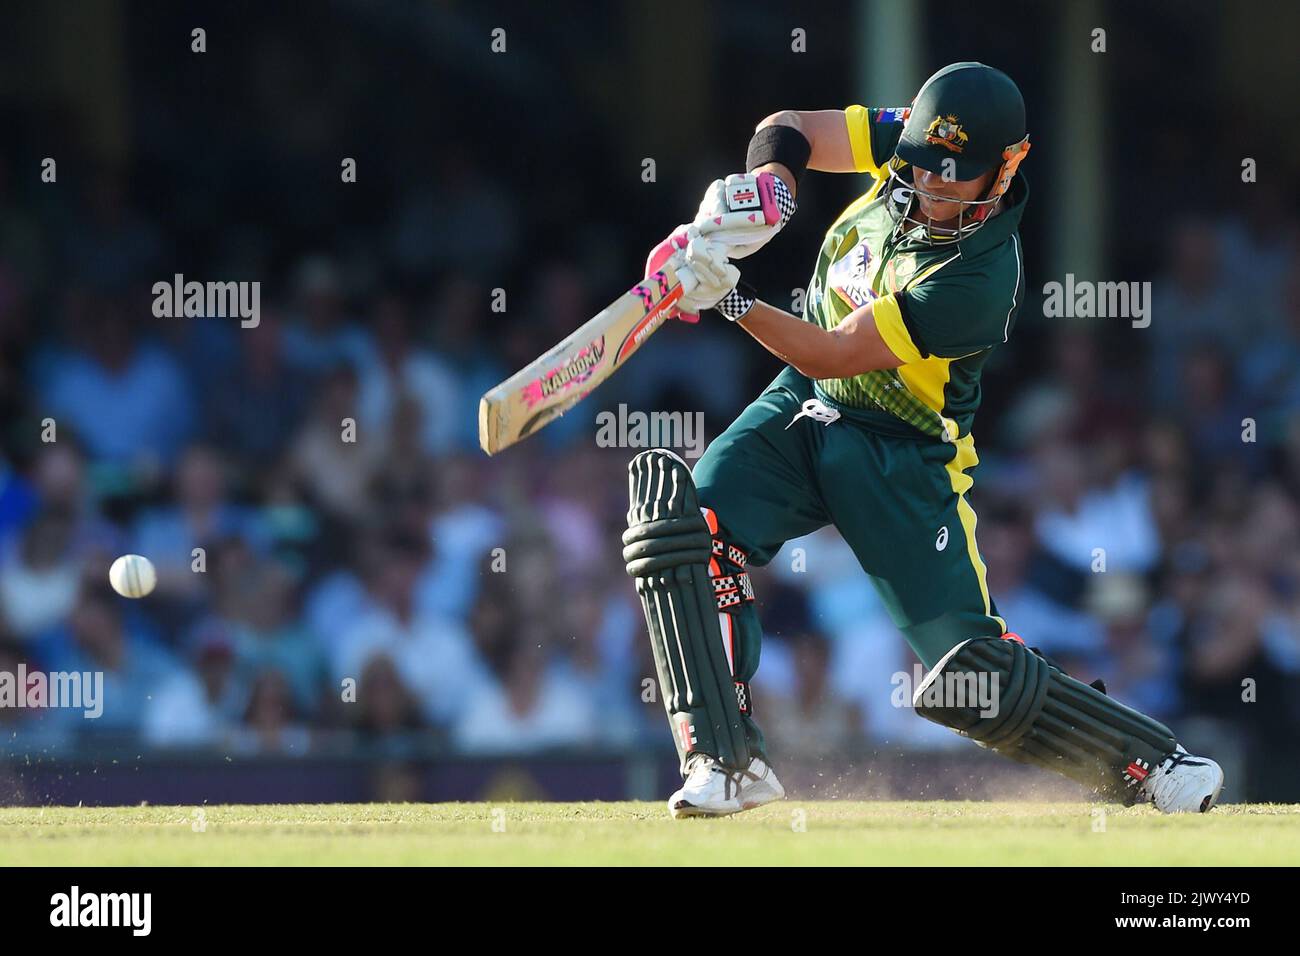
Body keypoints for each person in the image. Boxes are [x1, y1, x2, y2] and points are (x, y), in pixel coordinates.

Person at [623, 62, 1223, 817]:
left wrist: (729, 296)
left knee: (971, 675)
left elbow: (834, 350)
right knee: (685, 528)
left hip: (900, 454)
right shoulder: (912, 141)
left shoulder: (981, 277)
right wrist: (767, 188)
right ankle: (725, 759)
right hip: (805, 407)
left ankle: (1155, 763)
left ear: (1006, 166)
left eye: (955, 175)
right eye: (922, 166)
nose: (933, 186)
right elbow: (792, 127)